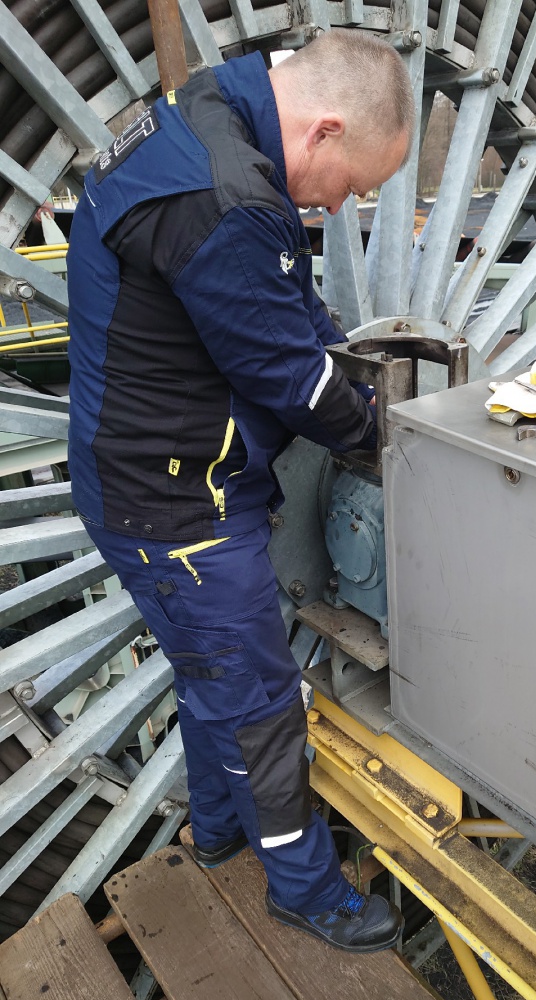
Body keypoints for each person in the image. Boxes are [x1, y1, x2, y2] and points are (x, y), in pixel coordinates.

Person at [66, 30, 413, 952]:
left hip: (135, 481)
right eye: (351, 184)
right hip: (178, 511)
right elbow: (287, 376)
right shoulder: (228, 200)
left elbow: (280, 298)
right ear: (324, 130)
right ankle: (305, 890)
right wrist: (386, 441)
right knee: (260, 702)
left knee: (209, 673)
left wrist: (337, 349)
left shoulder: (206, 115)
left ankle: (218, 833)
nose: (341, 205)